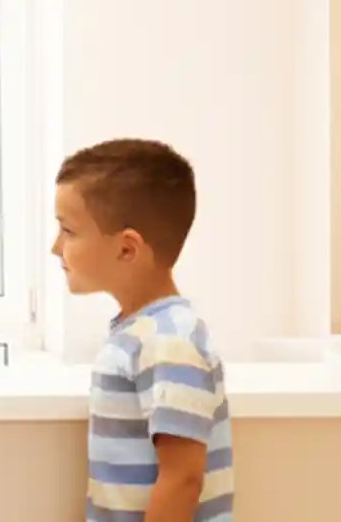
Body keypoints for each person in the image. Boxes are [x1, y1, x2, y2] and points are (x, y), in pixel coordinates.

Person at [52, 138, 233, 521]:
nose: (56, 247)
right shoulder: (143, 333)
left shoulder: (168, 339)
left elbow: (183, 478)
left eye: (68, 231)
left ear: (127, 250)